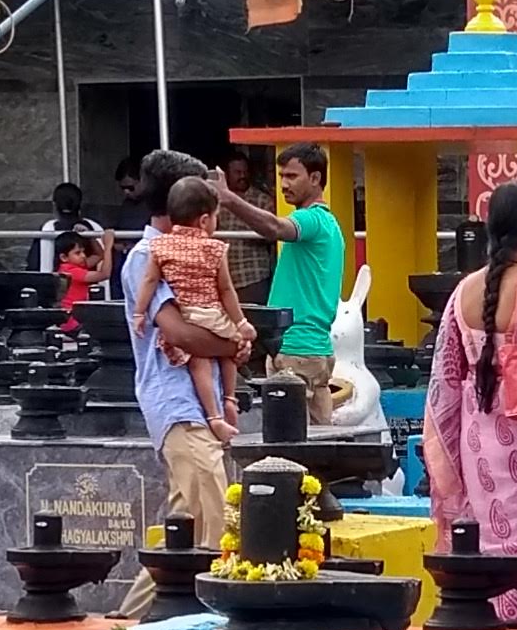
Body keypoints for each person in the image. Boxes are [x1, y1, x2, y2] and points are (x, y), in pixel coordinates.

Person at [421, 177, 517, 626]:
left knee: (491, 532)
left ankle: (495, 621)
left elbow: (447, 380)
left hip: (479, 439)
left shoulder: (461, 293)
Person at [120, 148, 232, 600]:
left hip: (197, 401)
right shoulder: (147, 256)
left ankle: (124, 626)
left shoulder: (191, 253)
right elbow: (179, 333)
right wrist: (235, 344)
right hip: (177, 400)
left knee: (187, 525)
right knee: (217, 519)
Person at [138, 170, 252, 437]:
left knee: (200, 362)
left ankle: (217, 413)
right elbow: (184, 334)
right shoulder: (213, 248)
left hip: (188, 313)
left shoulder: (160, 248)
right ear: (204, 219)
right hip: (179, 409)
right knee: (223, 353)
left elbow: (150, 281)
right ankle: (229, 401)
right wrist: (239, 334)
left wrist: (137, 313)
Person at [257, 141, 350, 366]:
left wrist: (228, 199)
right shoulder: (329, 223)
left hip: (297, 350)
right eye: (281, 176)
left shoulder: (311, 219)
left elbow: (275, 228)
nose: (284, 184)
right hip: (309, 350)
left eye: (291, 176)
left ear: (315, 179)